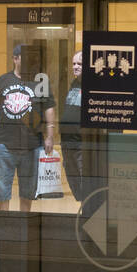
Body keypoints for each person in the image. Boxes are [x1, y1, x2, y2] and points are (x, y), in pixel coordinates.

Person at [0, 44, 56, 210]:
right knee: (0, 192)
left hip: (32, 145)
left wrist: (50, 136)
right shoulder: (3, 80)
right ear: (15, 59)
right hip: (3, 145)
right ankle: (4, 223)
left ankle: (23, 224)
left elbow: (49, 108)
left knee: (28, 192)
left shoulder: (40, 81)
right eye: (26, 57)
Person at [59, 50, 85, 200]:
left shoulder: (92, 84)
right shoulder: (74, 83)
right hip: (67, 140)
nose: (75, 66)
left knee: (84, 177)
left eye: (80, 64)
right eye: (74, 63)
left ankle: (87, 209)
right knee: (71, 174)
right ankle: (81, 202)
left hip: (81, 141)